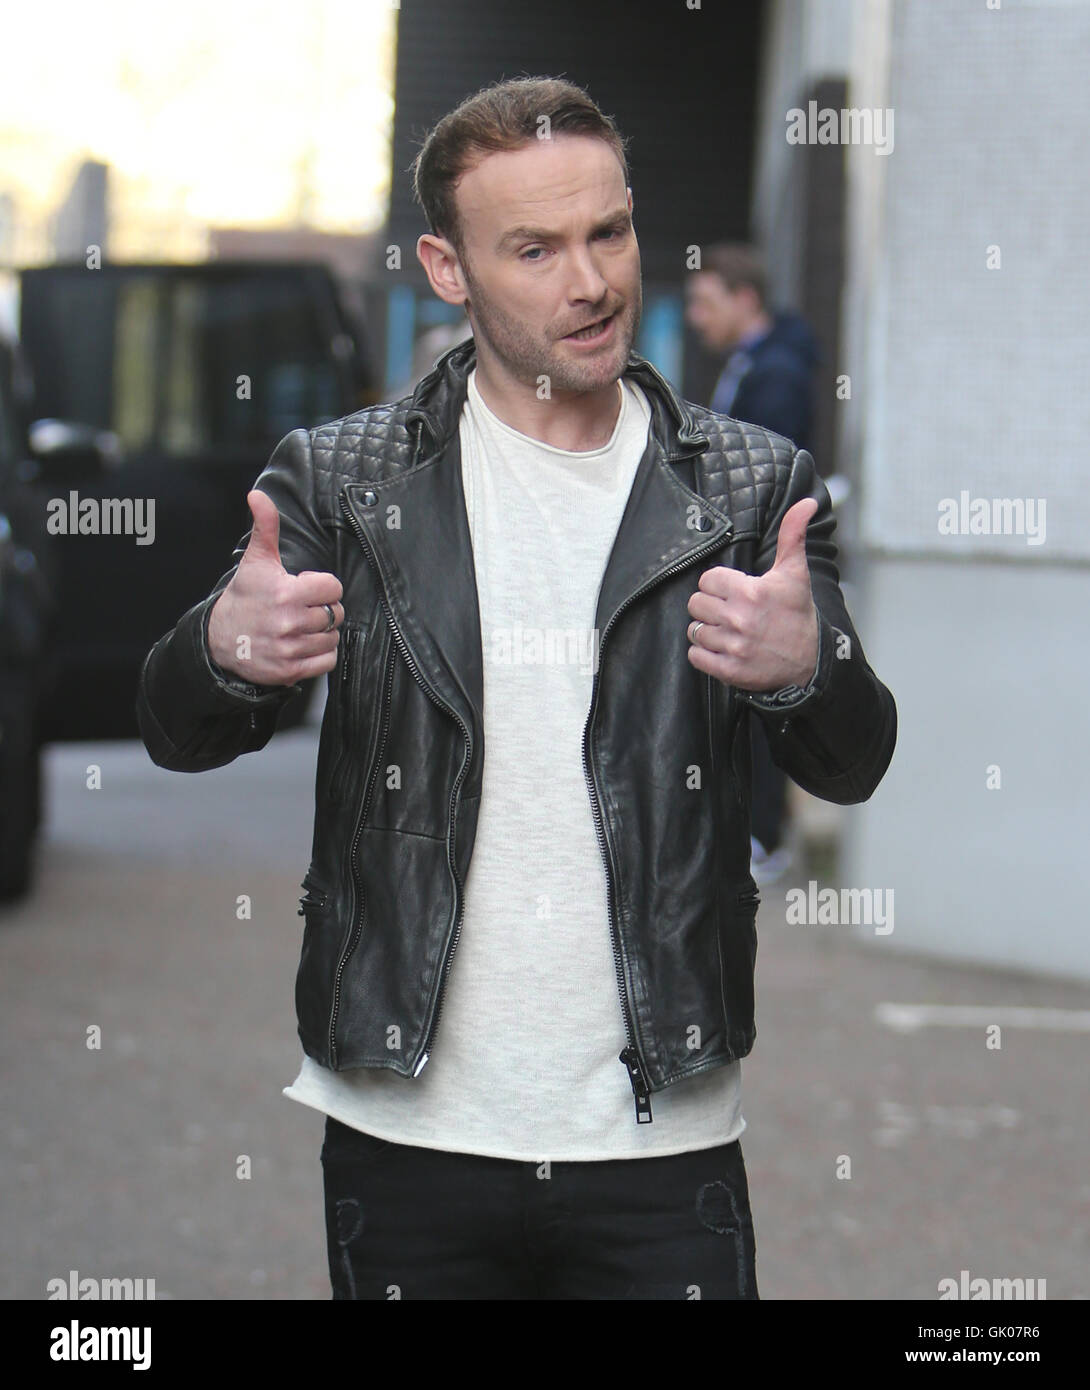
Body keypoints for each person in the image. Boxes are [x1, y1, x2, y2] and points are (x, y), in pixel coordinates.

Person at [136, 76, 896, 1301]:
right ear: (447, 267)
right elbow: (179, 730)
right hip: (409, 1140)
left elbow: (854, 759)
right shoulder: (345, 480)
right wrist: (224, 646)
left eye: (609, 232)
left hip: (659, 1145)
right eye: (533, 249)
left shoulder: (754, 486)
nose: (588, 283)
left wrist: (807, 669)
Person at [684, 245, 821, 885]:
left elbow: (770, 482)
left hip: (763, 562)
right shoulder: (750, 363)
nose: (695, 318)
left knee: (763, 695)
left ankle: (764, 836)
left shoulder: (778, 373)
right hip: (745, 556)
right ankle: (756, 832)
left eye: (705, 302)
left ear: (745, 300)